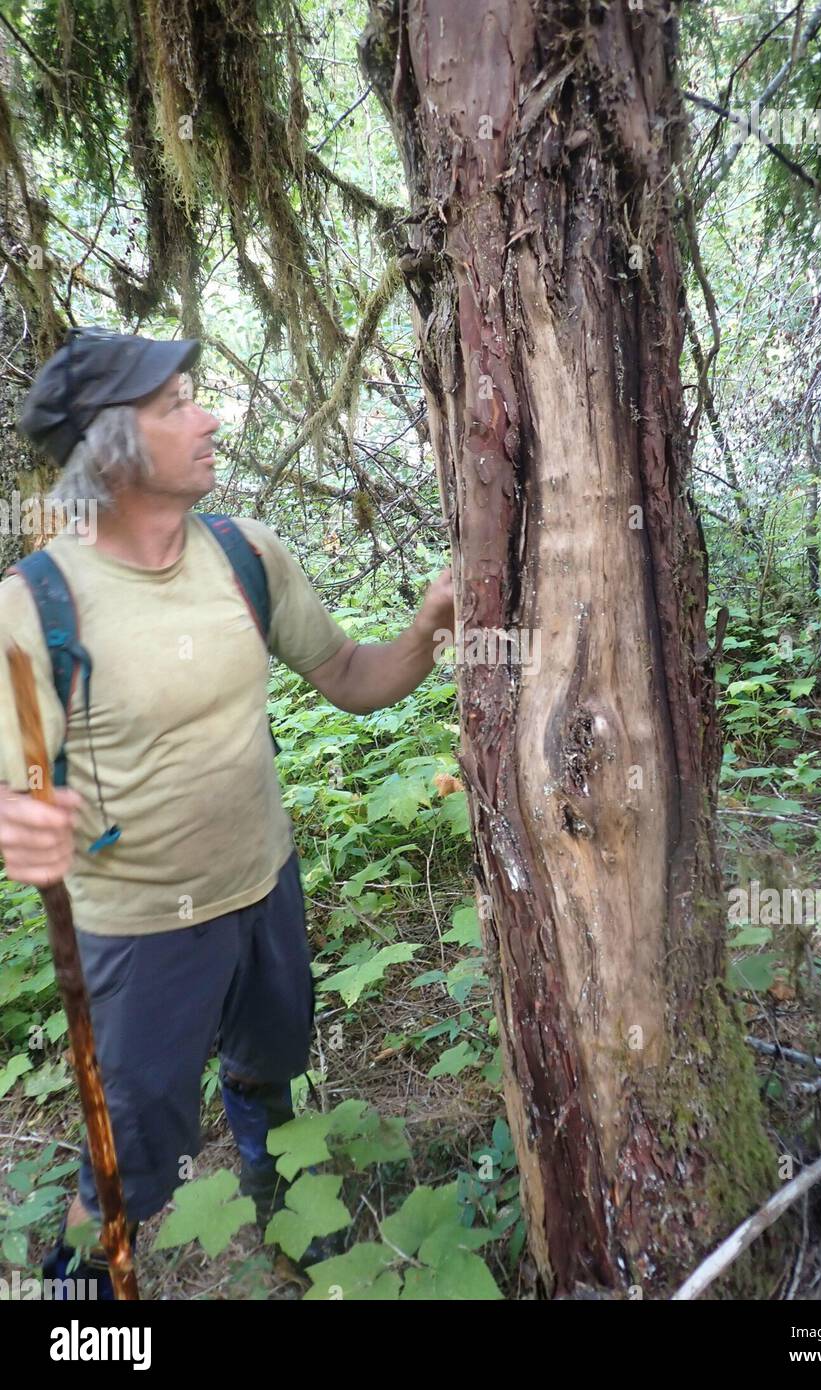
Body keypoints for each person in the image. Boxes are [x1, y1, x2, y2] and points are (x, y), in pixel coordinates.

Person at [0, 328, 455, 1297]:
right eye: (176, 405)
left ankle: (275, 1199)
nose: (209, 417)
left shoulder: (246, 555)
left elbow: (344, 672)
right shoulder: (33, 608)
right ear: (110, 444)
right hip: (139, 931)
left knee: (267, 1066)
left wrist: (422, 630)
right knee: (128, 1150)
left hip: (264, 885)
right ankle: (80, 1294)